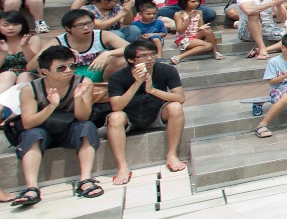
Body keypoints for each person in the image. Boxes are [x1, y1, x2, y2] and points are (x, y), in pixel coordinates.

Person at [8, 45, 102, 206]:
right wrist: (51, 106)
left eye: (72, 66)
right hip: (42, 129)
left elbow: (83, 117)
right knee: (32, 134)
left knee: (87, 127)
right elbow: (28, 122)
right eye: (61, 68)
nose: (68, 70)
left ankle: (85, 179)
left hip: (69, 128)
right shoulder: (30, 89)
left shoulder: (83, 83)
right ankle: (32, 188)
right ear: (45, 71)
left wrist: (78, 98)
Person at [98, 39, 188, 182]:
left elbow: (180, 97)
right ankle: (122, 167)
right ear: (131, 59)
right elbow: (116, 107)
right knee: (115, 117)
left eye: (152, 54)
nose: (150, 58)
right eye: (144, 56)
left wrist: (152, 90)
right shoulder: (118, 77)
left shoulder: (167, 70)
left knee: (176, 107)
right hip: (130, 117)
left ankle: (172, 155)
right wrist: (137, 83)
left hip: (156, 112)